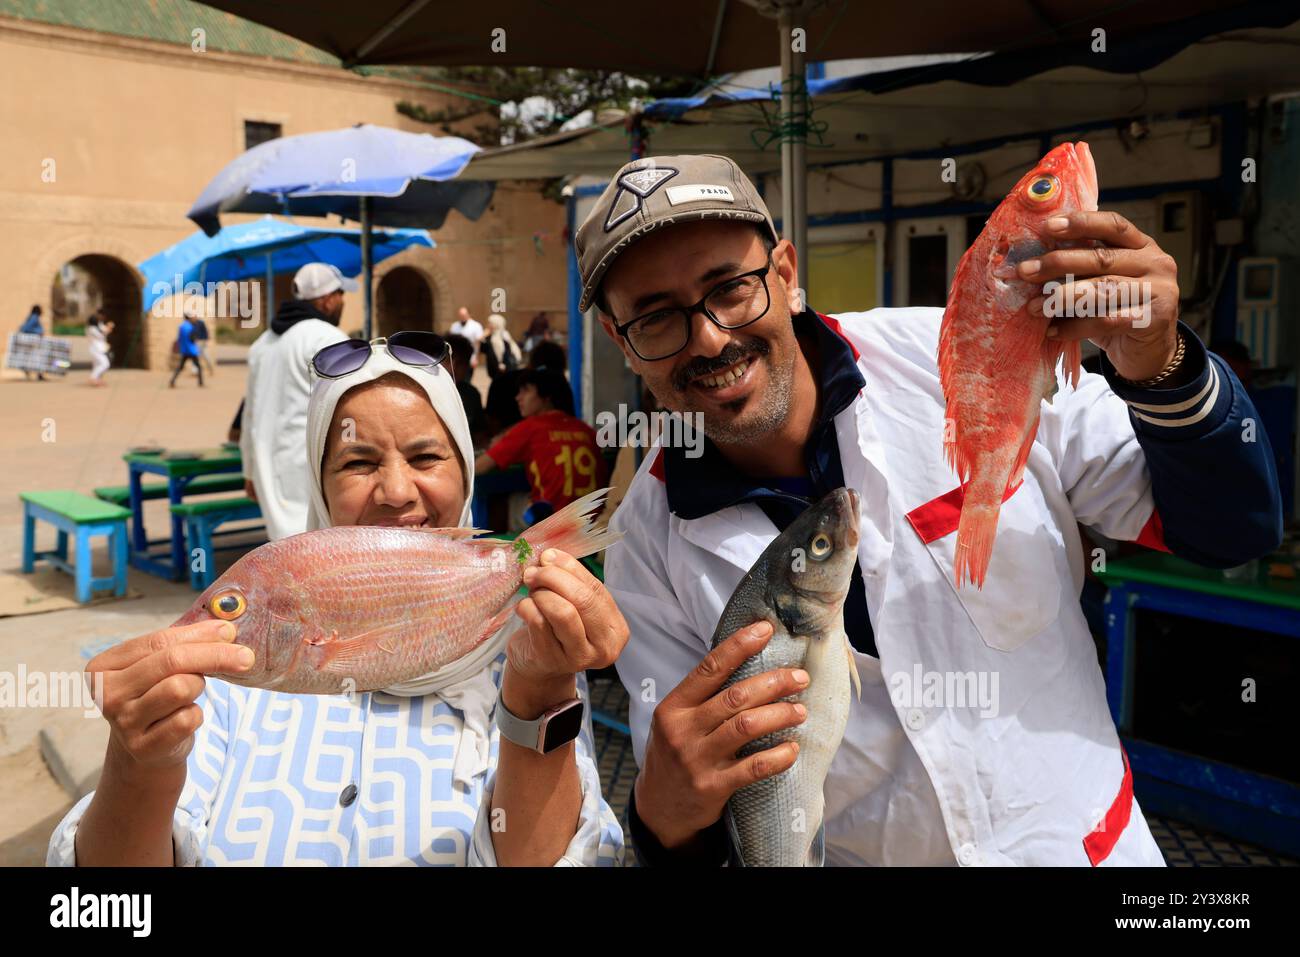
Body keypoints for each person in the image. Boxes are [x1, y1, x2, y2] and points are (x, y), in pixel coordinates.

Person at [577, 153, 1283, 866]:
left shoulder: (962, 361)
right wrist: (662, 818)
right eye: (657, 318)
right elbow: (708, 815)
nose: (709, 338)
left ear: (786, 275)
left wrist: (1164, 366)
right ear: (620, 341)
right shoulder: (645, 544)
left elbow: (1230, 530)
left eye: (730, 287)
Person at [49, 336, 627, 866]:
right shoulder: (224, 681)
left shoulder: (529, 647)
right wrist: (136, 763)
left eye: (426, 458)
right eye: (357, 462)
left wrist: (537, 698)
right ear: (319, 484)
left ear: (467, 474)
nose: (398, 493)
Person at [240, 262, 352, 540]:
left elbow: (250, 413)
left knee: (287, 553)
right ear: (327, 299)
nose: (342, 302)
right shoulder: (328, 338)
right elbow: (349, 407)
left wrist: (250, 470)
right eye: (340, 295)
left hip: (269, 469)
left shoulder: (262, 343)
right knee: (321, 555)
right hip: (310, 471)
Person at [476, 368, 608, 517]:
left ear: (546, 397)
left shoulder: (530, 428)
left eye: (526, 391)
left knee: (497, 505)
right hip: (595, 521)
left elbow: (479, 467)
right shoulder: (586, 430)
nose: (518, 397)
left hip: (553, 522)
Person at [447, 333, 488, 448]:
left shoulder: (471, 394)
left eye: (461, 363)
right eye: (447, 361)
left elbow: (479, 434)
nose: (453, 368)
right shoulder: (423, 392)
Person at [481, 313, 522, 380]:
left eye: (490, 323)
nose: (488, 325)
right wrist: (483, 337)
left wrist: (501, 363)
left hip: (503, 368)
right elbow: (483, 350)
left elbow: (507, 351)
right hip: (494, 369)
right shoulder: (490, 336)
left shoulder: (504, 335)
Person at [169, 310, 204, 388]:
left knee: (180, 367)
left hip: (184, 350)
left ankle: (172, 381)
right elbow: (193, 339)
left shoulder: (181, 326)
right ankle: (201, 383)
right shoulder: (190, 327)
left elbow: (180, 339)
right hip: (191, 350)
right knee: (199, 367)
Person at [86, 311, 113, 388]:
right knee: (105, 364)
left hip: (100, 348)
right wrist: (108, 327)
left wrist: (108, 327)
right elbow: (101, 335)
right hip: (96, 349)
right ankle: (92, 377)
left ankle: (97, 380)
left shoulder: (98, 326)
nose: (99, 320)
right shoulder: (91, 329)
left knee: (97, 365)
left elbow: (105, 330)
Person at [18, 304, 44, 380]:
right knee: (37, 357)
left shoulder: (32, 317)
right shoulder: (34, 318)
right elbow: (25, 329)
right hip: (33, 341)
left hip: (33, 341)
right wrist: (37, 332)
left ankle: (38, 374)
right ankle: (37, 374)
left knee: (34, 358)